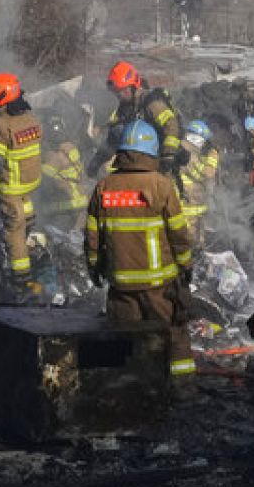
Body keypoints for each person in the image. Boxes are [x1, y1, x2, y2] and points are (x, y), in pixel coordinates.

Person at [84, 119, 196, 389]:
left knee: (126, 339)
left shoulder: (104, 187)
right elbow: (179, 233)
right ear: (151, 153)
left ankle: (133, 390)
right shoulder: (161, 185)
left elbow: (92, 235)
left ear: (122, 153)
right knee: (172, 334)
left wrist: (94, 267)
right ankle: (181, 389)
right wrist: (186, 265)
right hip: (159, 284)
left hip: (120, 283)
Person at [0, 72, 43, 290]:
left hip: (11, 187)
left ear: (1, 99)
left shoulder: (1, 126)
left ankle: (21, 277)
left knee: (13, 232)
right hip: (30, 182)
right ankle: (29, 223)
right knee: (24, 216)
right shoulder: (31, 119)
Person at [101, 61, 182, 173]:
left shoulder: (152, 103)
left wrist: (168, 155)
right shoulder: (125, 108)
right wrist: (98, 159)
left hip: (164, 157)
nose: (119, 96)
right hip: (140, 158)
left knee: (167, 188)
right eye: (117, 92)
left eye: (123, 91)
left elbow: (171, 126)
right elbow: (114, 138)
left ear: (134, 86)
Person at [177, 119, 223, 243]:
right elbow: (206, 174)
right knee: (189, 236)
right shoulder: (185, 153)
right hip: (187, 202)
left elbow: (209, 174)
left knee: (198, 233)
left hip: (195, 203)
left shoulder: (191, 151)